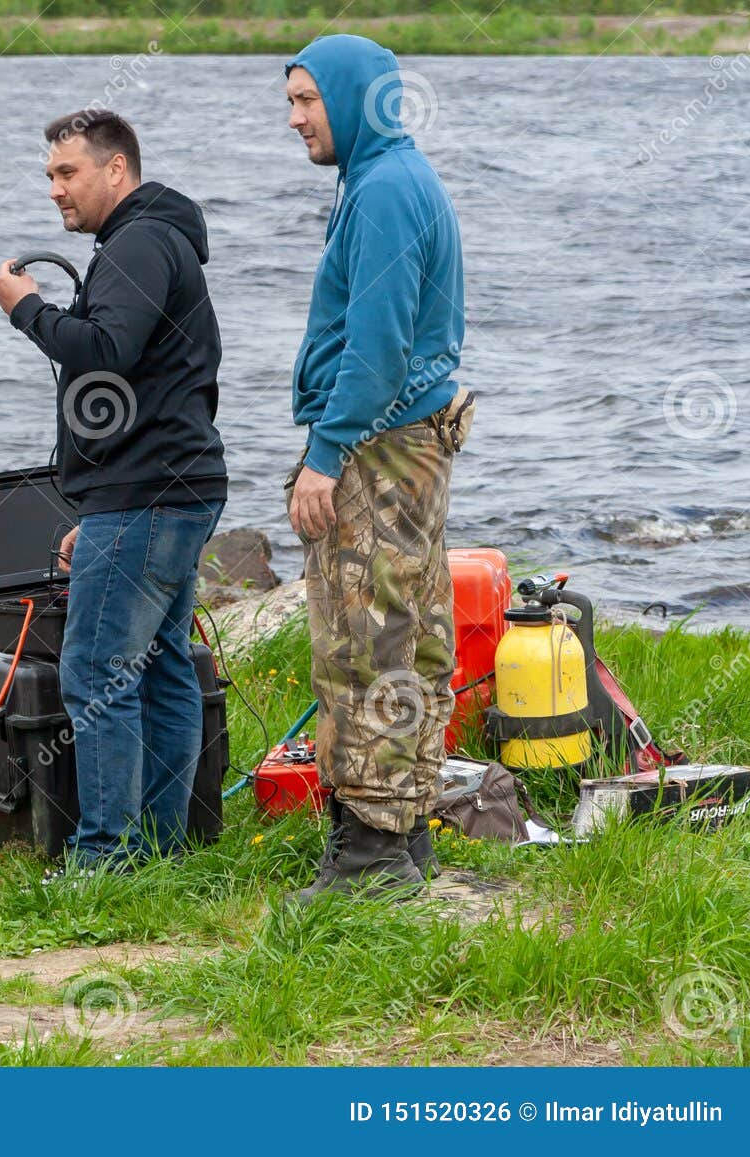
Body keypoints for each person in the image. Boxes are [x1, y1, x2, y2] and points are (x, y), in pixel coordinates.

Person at [0, 109, 228, 875]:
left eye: (69, 173)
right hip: (165, 489)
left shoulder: (136, 244)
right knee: (159, 663)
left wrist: (27, 308)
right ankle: (162, 850)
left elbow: (106, 350)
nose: (55, 189)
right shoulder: (151, 240)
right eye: (50, 175)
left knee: (95, 671)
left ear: (115, 170)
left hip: (150, 491)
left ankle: (104, 861)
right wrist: (98, 513)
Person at [280, 35, 474, 902]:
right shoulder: (386, 177)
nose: (295, 120)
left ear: (356, 99)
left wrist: (324, 454)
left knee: (365, 645)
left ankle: (368, 859)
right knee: (412, 636)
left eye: (307, 101)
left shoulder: (388, 190)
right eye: (291, 102)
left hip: (378, 448)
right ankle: (400, 840)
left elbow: (379, 346)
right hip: (411, 441)